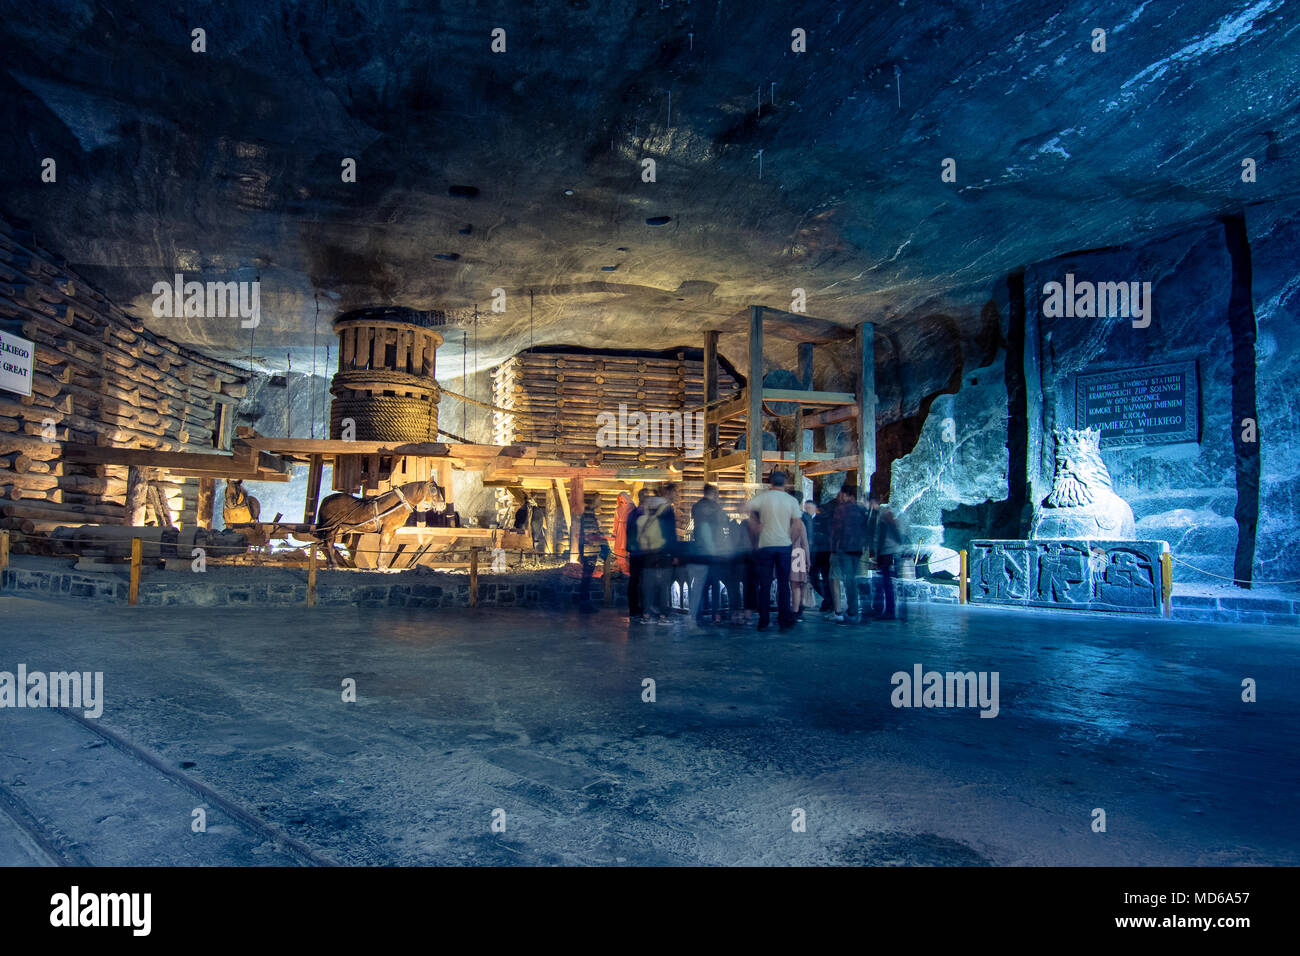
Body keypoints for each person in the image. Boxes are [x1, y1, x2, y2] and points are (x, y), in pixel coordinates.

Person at [744, 471, 804, 631]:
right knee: (784, 584)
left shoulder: (764, 498)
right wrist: (791, 539)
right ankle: (784, 620)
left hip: (766, 544)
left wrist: (755, 524)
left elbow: (745, 507)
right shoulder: (791, 500)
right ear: (784, 482)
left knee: (765, 584)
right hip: (784, 545)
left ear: (771, 483)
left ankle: (763, 621)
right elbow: (797, 525)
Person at [636, 483, 677, 626]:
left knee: (648, 585)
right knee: (664, 585)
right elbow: (670, 533)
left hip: (647, 552)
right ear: (668, 493)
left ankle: (646, 615)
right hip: (663, 551)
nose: (675, 496)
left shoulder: (647, 506)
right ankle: (663, 617)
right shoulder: (667, 509)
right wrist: (674, 553)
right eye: (674, 493)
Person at [829, 484, 869, 623]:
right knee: (852, 579)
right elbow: (866, 529)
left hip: (844, 548)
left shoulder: (841, 509)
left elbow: (836, 530)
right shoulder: (861, 509)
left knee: (848, 579)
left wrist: (833, 548)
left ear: (847, 494)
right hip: (857, 549)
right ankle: (854, 609)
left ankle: (852, 611)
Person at [688, 484, 725, 626]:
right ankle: (715, 614)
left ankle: (698, 614)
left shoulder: (696, 507)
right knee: (715, 583)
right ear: (713, 493)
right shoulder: (716, 508)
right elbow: (723, 526)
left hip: (699, 549)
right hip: (714, 550)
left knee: (700, 583)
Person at [576, 494, 608, 613]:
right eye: (599, 500)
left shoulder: (589, 513)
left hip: (589, 549)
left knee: (587, 577)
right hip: (589, 550)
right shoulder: (589, 514)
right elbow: (590, 534)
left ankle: (584, 603)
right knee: (587, 578)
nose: (600, 503)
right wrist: (600, 540)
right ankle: (584, 604)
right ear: (594, 501)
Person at [873, 504, 905, 620]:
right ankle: (890, 610)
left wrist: (877, 556)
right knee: (889, 584)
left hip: (886, 555)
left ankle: (887, 610)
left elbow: (881, 541)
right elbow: (899, 538)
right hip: (893, 554)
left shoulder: (884, 523)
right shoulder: (893, 522)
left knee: (886, 584)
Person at [625, 488, 649, 620]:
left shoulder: (632, 514)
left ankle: (634, 608)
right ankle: (641, 608)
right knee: (642, 581)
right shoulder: (642, 515)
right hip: (642, 552)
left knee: (634, 581)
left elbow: (628, 531)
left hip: (634, 552)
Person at [789, 495, 812, 622]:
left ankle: (787, 609)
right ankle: (796, 611)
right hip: (798, 555)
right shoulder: (800, 522)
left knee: (784, 585)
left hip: (786, 553)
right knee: (796, 585)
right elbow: (805, 543)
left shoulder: (784, 520)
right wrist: (808, 560)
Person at [811, 498, 835, 612]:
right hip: (821, 553)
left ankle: (828, 600)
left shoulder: (826, 521)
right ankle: (828, 600)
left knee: (822, 578)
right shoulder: (818, 520)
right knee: (821, 578)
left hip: (822, 553)